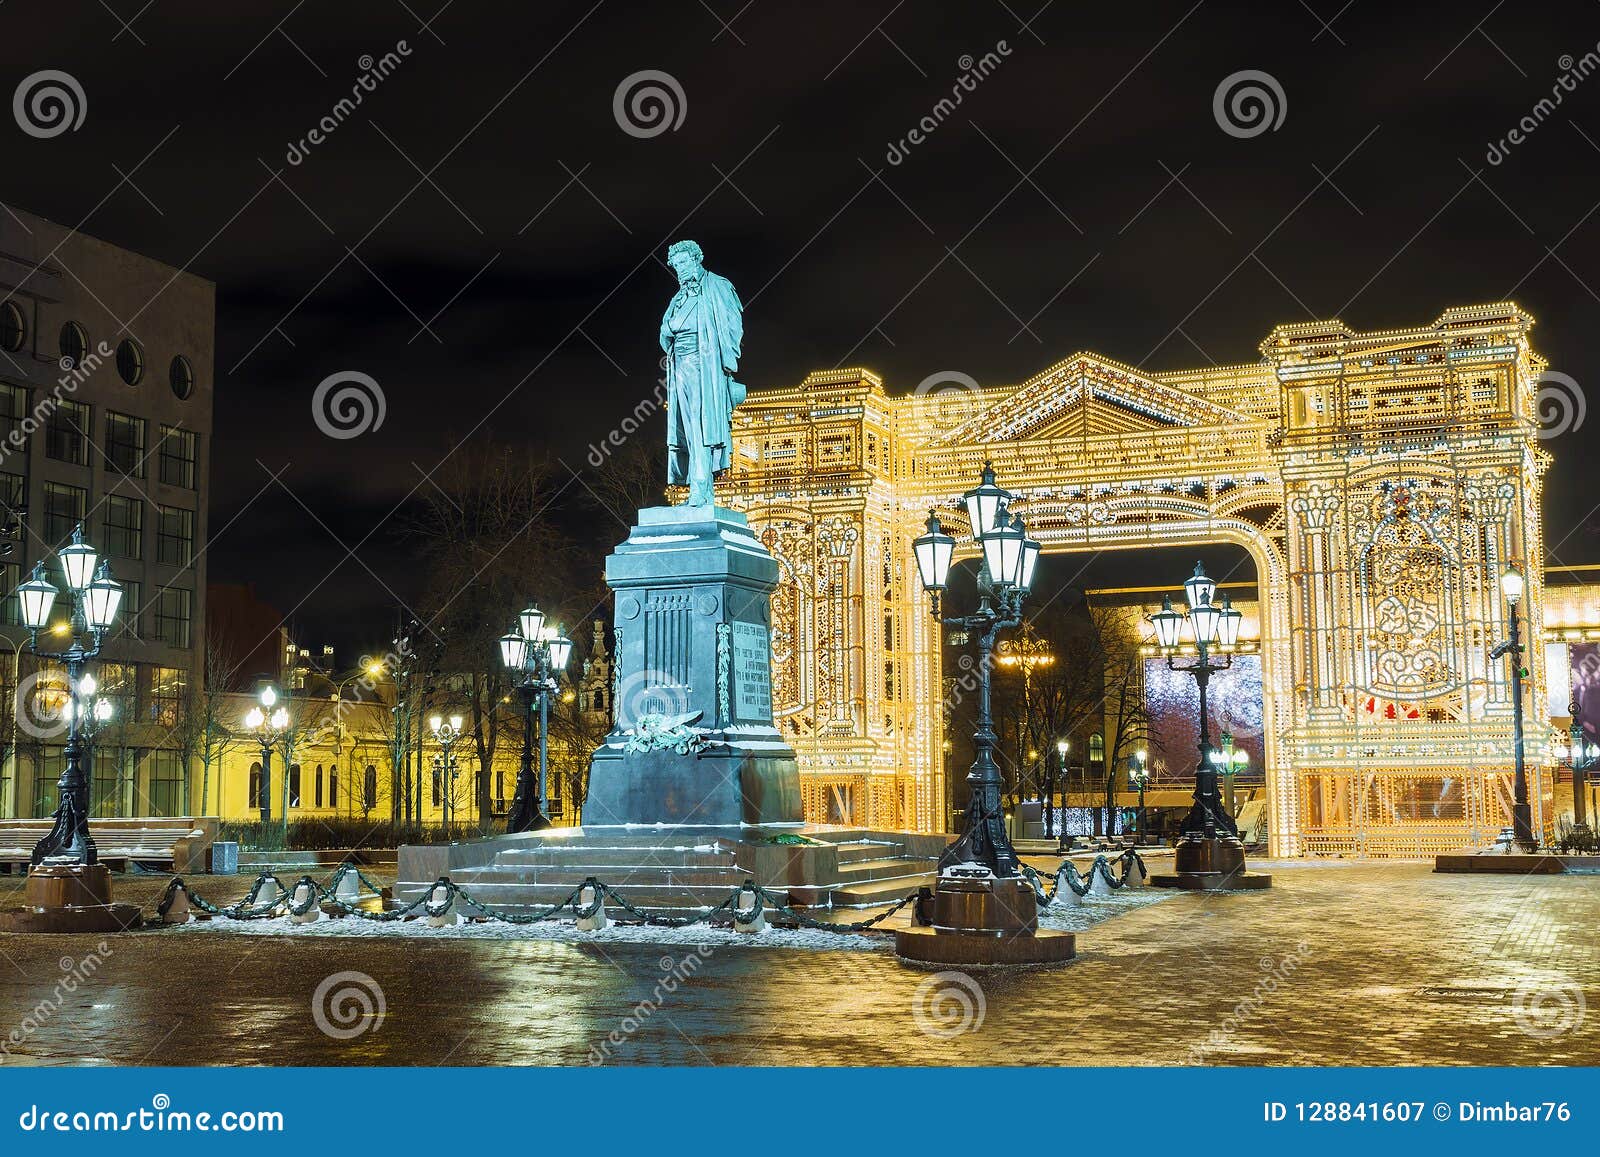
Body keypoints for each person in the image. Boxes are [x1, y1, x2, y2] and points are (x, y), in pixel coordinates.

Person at [659, 240, 745, 506]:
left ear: (697, 259)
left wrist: (724, 365)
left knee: (702, 426)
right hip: (680, 367)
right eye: (676, 265)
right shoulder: (677, 298)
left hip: (704, 365)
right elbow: (666, 331)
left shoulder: (718, 285)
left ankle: (700, 487)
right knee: (688, 428)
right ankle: (700, 490)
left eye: (684, 262)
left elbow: (734, 325)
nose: (680, 269)